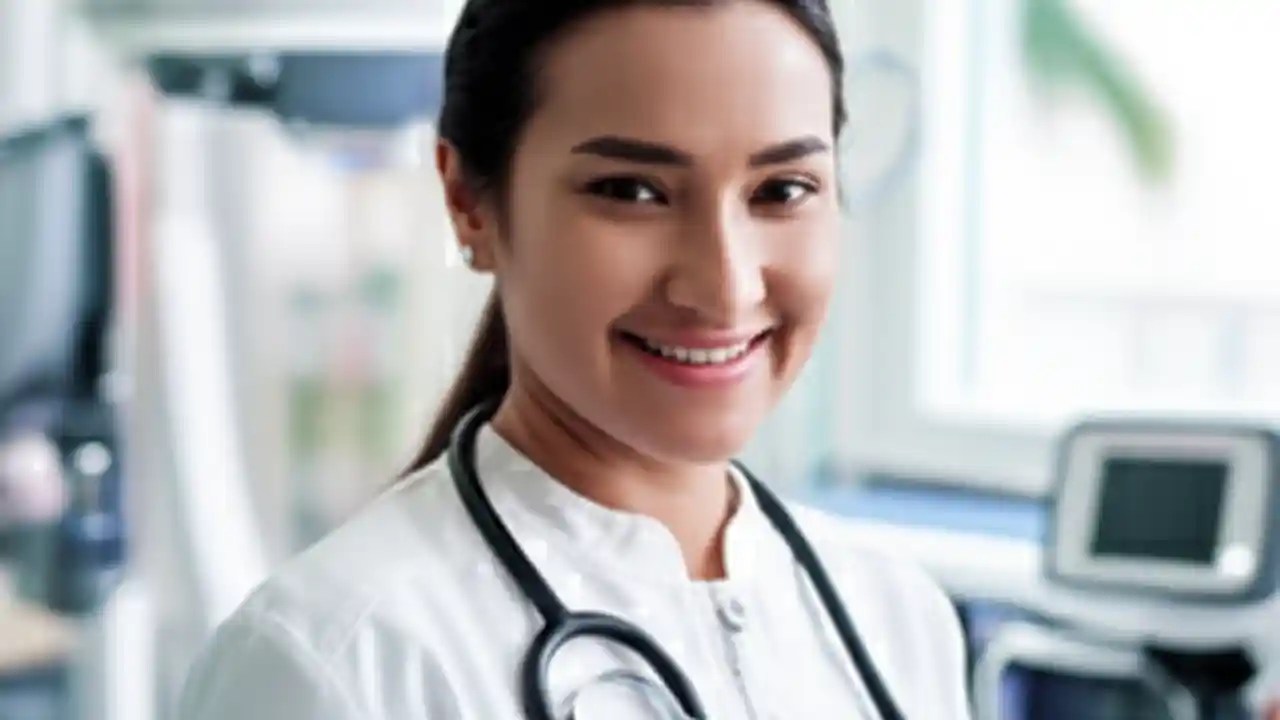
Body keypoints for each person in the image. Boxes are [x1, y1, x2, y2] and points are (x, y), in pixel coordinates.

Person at [177, 0, 971, 717]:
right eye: (632, 190)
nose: (724, 287)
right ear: (469, 203)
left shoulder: (896, 616)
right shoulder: (336, 663)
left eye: (784, 190)